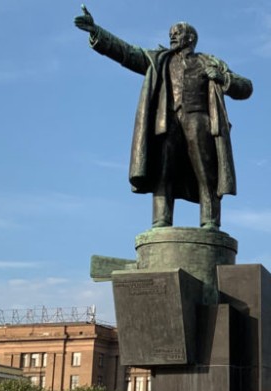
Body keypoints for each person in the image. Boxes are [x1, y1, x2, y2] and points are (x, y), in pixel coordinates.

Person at [74, 6, 253, 230]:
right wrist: (96, 32)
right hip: (166, 122)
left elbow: (246, 88)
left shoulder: (209, 62)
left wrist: (223, 78)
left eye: (177, 33)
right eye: (171, 33)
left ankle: (210, 221)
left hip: (199, 120)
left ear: (191, 38)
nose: (172, 36)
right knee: (162, 170)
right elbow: (127, 52)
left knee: (206, 173)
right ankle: (161, 219)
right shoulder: (159, 60)